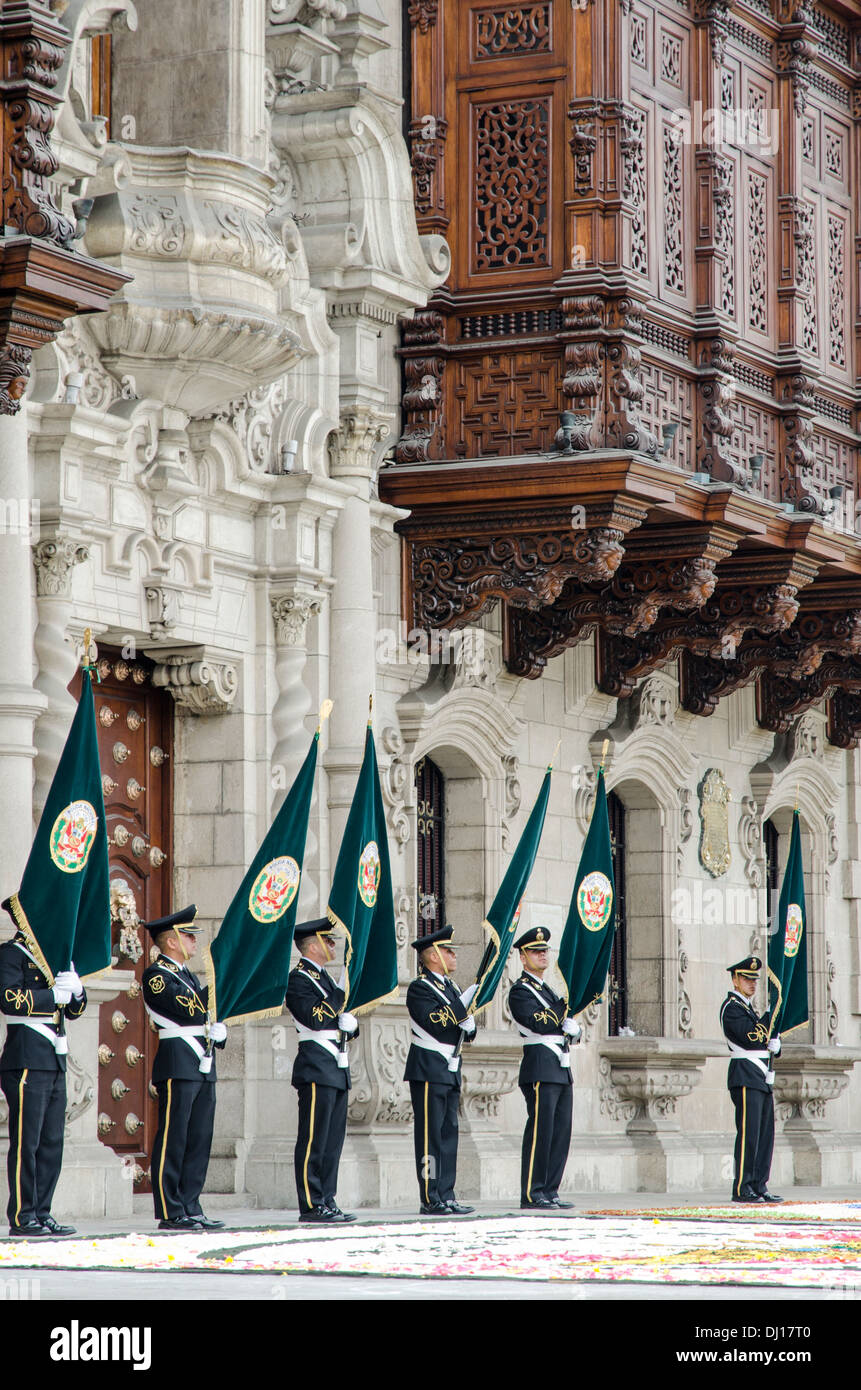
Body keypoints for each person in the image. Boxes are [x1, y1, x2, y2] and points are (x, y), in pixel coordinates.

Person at [0, 900, 85, 1237]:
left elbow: (75, 1010)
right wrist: (53, 998)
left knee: (51, 1141)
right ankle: (23, 1215)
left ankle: (43, 1210)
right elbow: (7, 997)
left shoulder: (54, 958)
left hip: (53, 1058)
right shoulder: (11, 954)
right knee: (27, 1142)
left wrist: (76, 992)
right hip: (26, 1058)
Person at [141, 905, 227, 1232]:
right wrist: (223, 978)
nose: (194, 943)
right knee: (173, 1137)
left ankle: (191, 1203)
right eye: (189, 936)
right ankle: (171, 1208)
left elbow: (203, 1013)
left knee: (199, 1137)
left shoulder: (187, 975)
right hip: (178, 1063)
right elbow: (190, 1008)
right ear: (172, 941)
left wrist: (218, 1030)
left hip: (202, 1063)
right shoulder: (157, 976)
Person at [285, 918, 357, 1224]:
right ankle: (312, 1203)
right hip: (316, 1065)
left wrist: (350, 1027)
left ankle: (328, 1198)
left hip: (335, 1066)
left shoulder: (324, 977)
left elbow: (334, 1017)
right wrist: (341, 996)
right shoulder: (298, 978)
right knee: (314, 1139)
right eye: (327, 941)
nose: (332, 945)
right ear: (311, 945)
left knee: (332, 1140)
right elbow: (315, 1017)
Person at [403, 924, 475, 1216]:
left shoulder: (451, 987)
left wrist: (470, 1027)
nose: (453, 956)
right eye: (447, 951)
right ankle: (430, 1196)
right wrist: (462, 1009)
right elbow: (435, 1020)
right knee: (430, 1136)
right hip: (429, 1068)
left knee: (449, 1134)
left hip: (449, 1068)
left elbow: (458, 1024)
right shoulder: (420, 988)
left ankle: (447, 1193)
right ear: (432, 956)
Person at [508, 926, 579, 1210]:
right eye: (535, 952)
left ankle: (550, 1189)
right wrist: (564, 1009)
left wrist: (573, 1030)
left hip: (559, 1066)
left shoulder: (546, 989)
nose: (542, 956)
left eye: (544, 951)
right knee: (541, 1130)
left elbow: (559, 1023)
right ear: (523, 958)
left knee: (561, 1130)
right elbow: (539, 1021)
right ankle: (532, 1192)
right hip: (540, 1065)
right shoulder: (520, 991)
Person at [720, 955, 782, 1204]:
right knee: (749, 1134)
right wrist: (771, 1016)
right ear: (735, 979)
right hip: (745, 1074)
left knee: (765, 1133)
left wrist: (776, 1045)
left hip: (761, 1075)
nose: (752, 984)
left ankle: (759, 1184)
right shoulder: (731, 1008)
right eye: (746, 979)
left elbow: (763, 1039)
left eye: (754, 979)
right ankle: (743, 1187)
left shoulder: (747, 1009)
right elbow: (752, 1037)